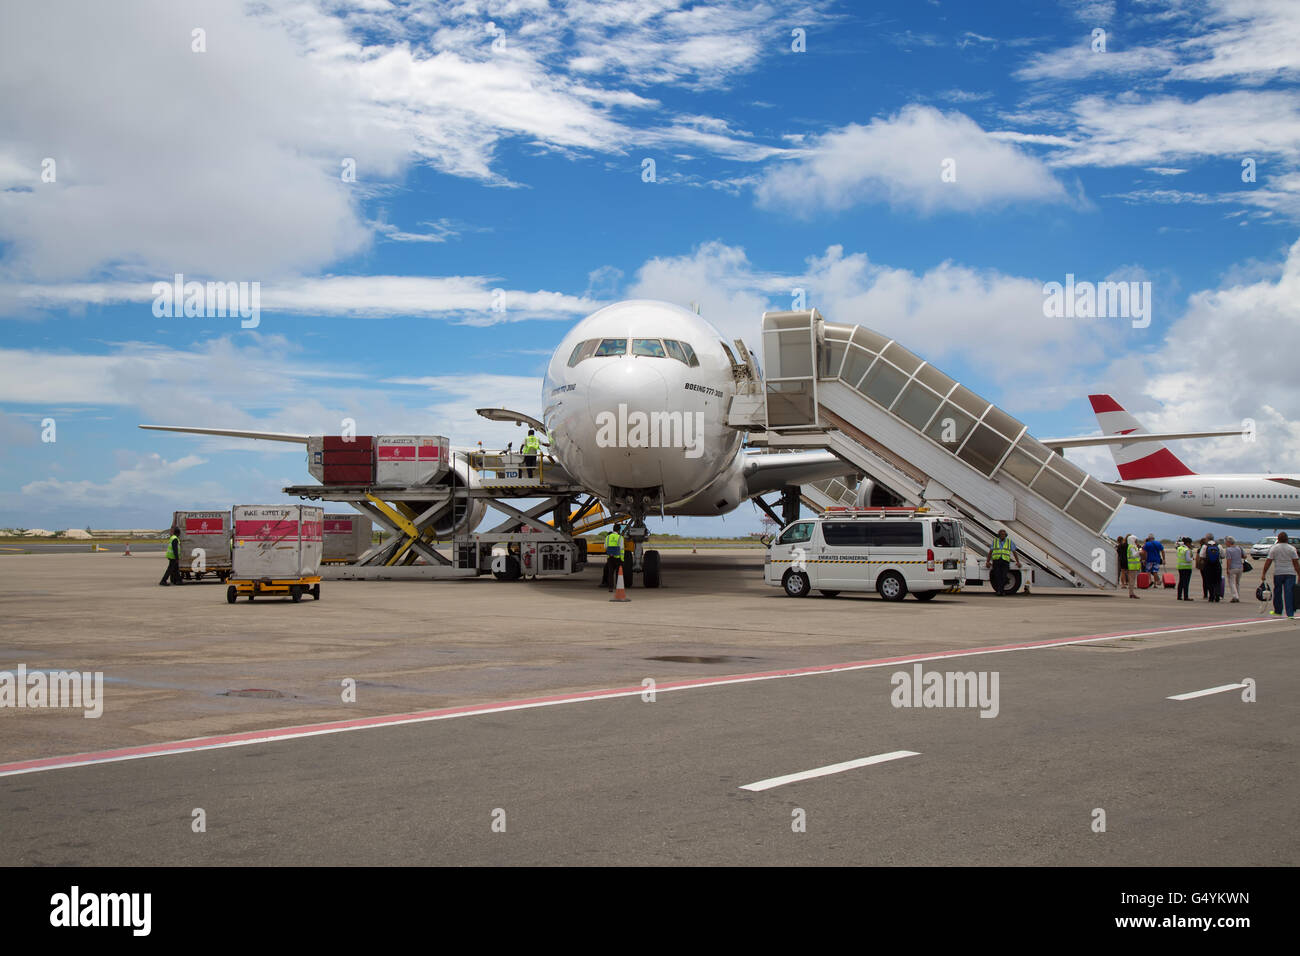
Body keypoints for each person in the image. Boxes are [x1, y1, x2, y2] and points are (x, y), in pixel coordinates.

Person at [1259, 531, 1300, 618]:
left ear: (1278, 539)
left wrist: (1264, 573)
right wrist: (1299, 574)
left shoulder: (1274, 548)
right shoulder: (1292, 548)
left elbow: (1268, 561)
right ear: (1287, 539)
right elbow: (1296, 563)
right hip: (1290, 573)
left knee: (1277, 592)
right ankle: (1290, 613)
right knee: (1289, 593)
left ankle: (1278, 611)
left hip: (1278, 573)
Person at [985, 528, 1021, 595]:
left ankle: (1001, 591)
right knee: (997, 576)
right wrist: (987, 561)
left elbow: (1014, 552)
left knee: (1004, 576)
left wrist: (1017, 562)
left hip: (1005, 561)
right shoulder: (995, 541)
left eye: (1004, 534)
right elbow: (990, 552)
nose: (1002, 535)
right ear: (999, 535)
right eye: (1001, 534)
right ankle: (1000, 591)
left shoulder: (1009, 542)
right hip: (996, 561)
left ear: (1006, 535)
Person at [1222, 535, 1246, 602]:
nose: (1225, 543)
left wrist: (1227, 569)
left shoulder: (1228, 549)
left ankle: (1235, 596)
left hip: (1233, 568)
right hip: (1240, 567)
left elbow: (1229, 560)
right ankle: (1237, 595)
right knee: (1237, 582)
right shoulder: (1239, 547)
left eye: (1226, 542)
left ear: (1229, 542)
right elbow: (1245, 556)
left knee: (1231, 582)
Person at [1199, 536, 1223, 603]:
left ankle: (1211, 596)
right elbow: (1223, 556)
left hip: (1208, 565)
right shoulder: (1219, 546)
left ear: (1207, 539)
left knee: (1209, 581)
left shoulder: (1205, 546)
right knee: (1217, 581)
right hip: (1217, 565)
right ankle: (1217, 595)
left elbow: (1201, 556)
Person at [602, 524, 625, 591]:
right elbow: (621, 548)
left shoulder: (608, 537)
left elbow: (605, 547)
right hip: (618, 557)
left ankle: (610, 587)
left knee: (610, 573)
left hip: (610, 557)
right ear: (619, 530)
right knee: (618, 573)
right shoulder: (620, 537)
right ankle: (618, 587)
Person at [1175, 536, 1195, 601]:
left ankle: (1179, 596)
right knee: (1186, 582)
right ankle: (1186, 596)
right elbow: (1188, 559)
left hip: (1180, 567)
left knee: (1181, 582)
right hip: (1187, 567)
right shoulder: (1187, 550)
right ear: (1188, 543)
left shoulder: (1180, 548)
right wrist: (1193, 558)